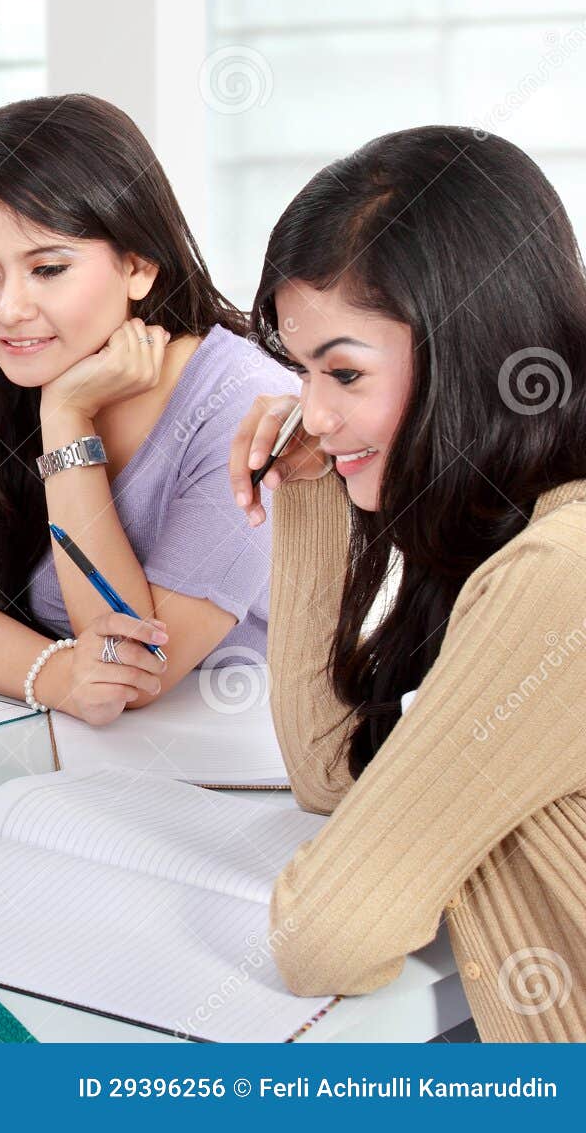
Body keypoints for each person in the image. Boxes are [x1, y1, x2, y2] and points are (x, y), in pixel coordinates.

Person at [228, 126, 586, 1041]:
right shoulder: (514, 518)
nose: (312, 411)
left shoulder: (561, 573)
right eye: (301, 372)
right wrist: (310, 489)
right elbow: (331, 777)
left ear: (472, 346)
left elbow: (327, 936)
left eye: (345, 371)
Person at [0, 94, 296, 725]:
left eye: (48, 268)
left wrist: (65, 419)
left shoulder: (243, 405)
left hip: (225, 751)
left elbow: (136, 667)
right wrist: (58, 675)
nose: (8, 309)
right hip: (51, 746)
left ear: (138, 266)